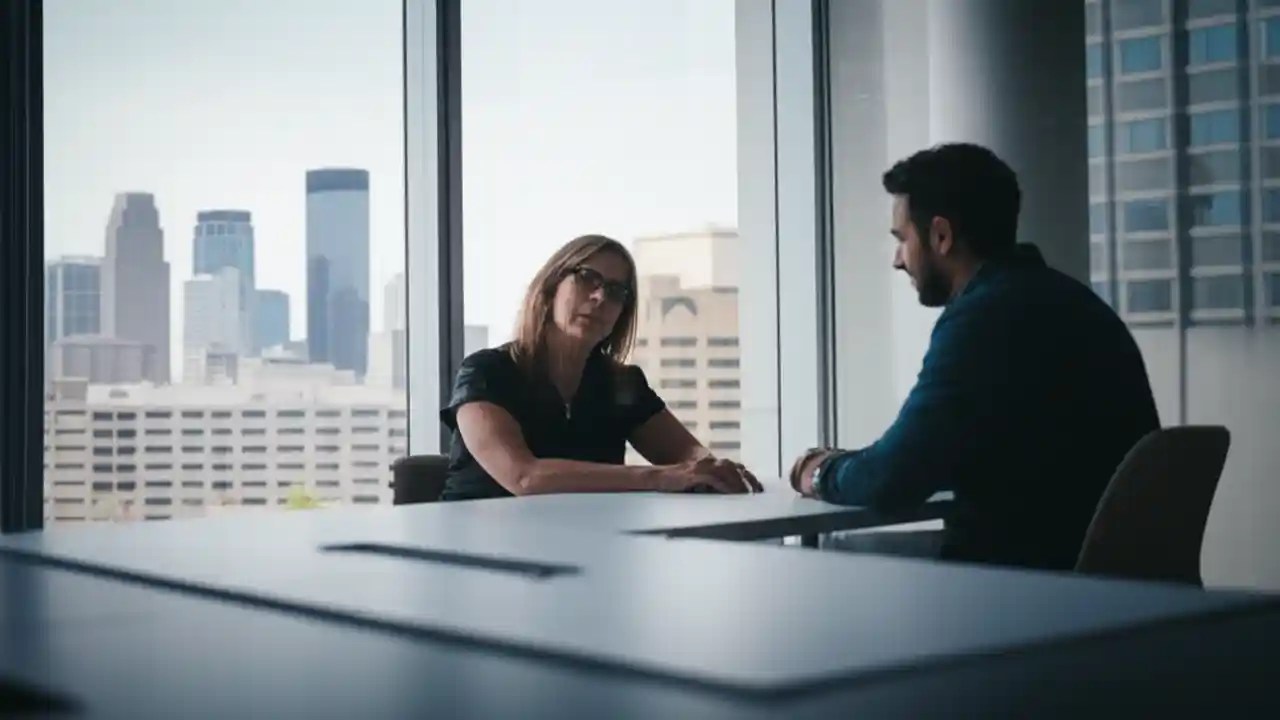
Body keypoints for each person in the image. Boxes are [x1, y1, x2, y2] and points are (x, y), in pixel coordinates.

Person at [790, 143, 1160, 571]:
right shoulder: (1070, 302)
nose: (897, 260)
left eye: (902, 239)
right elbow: (938, 454)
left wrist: (818, 473)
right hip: (1097, 573)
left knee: (817, 564)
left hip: (1032, 583)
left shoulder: (986, 318)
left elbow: (894, 480)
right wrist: (862, 464)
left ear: (941, 236)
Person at [440, 234, 762, 501]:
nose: (599, 297)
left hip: (584, 546)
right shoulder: (487, 372)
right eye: (587, 278)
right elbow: (524, 477)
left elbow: (687, 453)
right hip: (474, 552)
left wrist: (708, 467)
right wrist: (660, 477)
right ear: (551, 288)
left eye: (615, 291)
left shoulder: (622, 384)